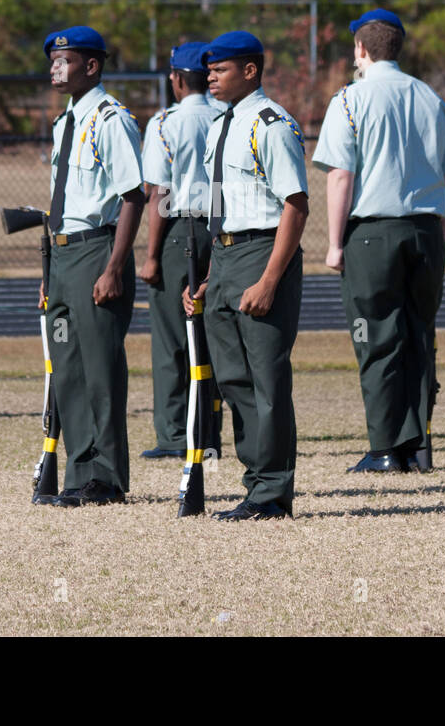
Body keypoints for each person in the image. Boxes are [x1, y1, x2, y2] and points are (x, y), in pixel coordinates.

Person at [313, 8, 445, 473]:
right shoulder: (430, 98)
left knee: (375, 337)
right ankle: (416, 445)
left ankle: (383, 448)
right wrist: (442, 234)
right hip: (424, 230)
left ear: (361, 48)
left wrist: (335, 243)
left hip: (372, 233)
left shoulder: (350, 100)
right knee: (418, 335)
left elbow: (341, 175)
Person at [183, 31, 308, 521]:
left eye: (221, 68)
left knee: (267, 378)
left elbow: (295, 206)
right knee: (233, 378)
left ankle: (273, 492)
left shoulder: (271, 123)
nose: (210, 75)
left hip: (262, 252)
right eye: (208, 69)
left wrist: (270, 280)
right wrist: (212, 276)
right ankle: (257, 483)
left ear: (250, 71)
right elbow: (221, 209)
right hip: (227, 254)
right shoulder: (219, 126)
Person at [41, 26, 145, 506]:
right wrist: (49, 274)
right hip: (62, 254)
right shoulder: (66, 121)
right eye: (52, 59)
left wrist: (114, 267)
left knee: (100, 369)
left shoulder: (110, 118)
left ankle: (106, 477)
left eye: (65, 58)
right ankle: (79, 473)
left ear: (92, 65)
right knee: (68, 367)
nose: (55, 66)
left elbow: (132, 195)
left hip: (94, 253)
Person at [138, 41, 221, 460]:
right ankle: (212, 429)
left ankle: (175, 434)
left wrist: (151, 256)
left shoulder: (166, 123)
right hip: (224, 227)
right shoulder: (226, 114)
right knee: (216, 333)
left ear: (175, 78)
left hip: (180, 229)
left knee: (172, 337)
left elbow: (159, 192)